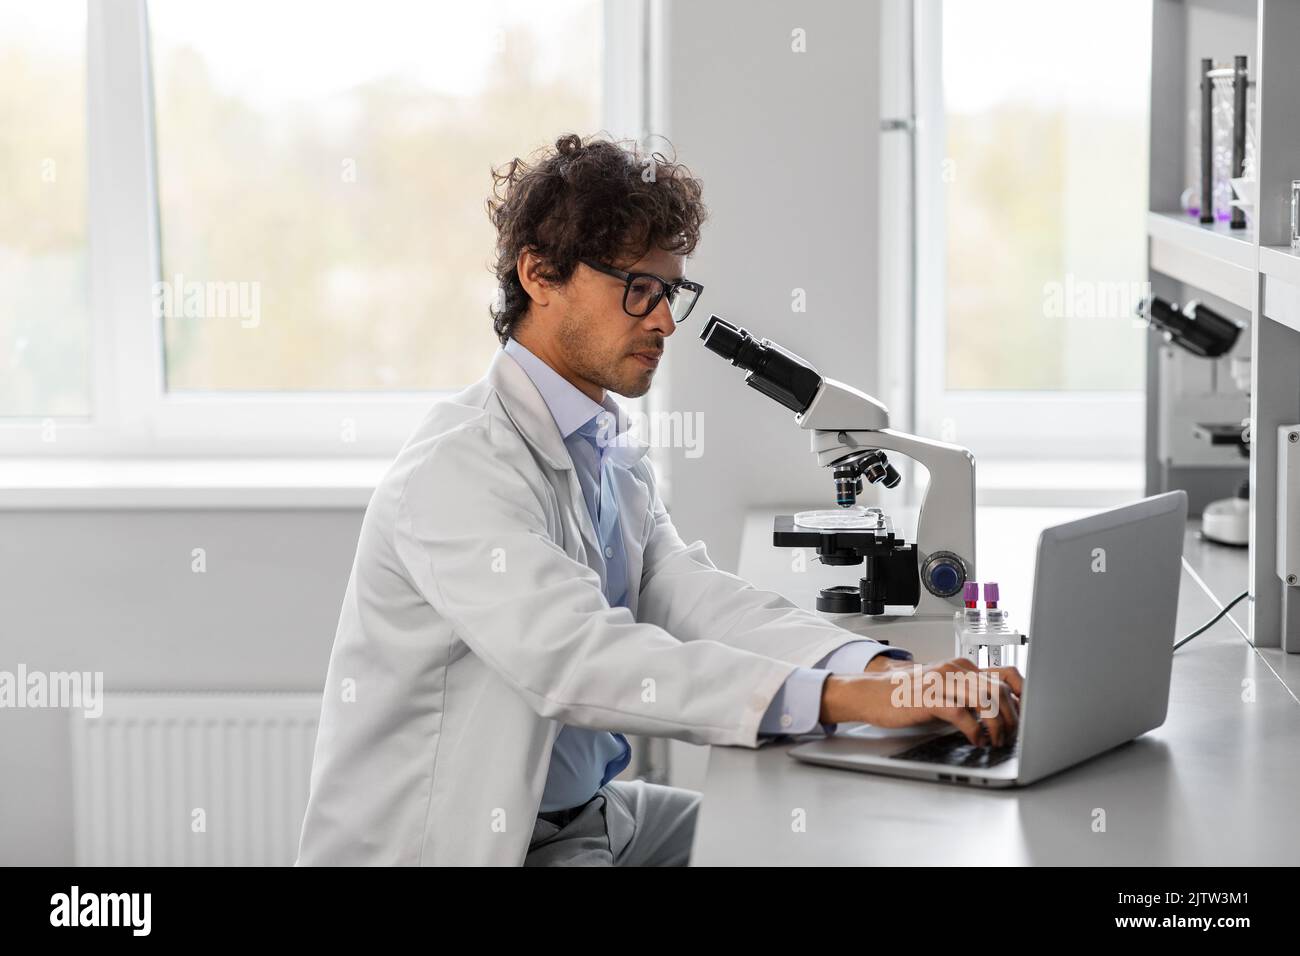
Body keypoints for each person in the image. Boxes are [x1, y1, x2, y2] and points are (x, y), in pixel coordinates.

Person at [296, 133, 1020, 867]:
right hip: (476, 844)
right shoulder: (458, 468)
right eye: (638, 289)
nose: (666, 321)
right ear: (540, 276)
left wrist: (874, 670)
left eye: (671, 292)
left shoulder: (602, 440)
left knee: (798, 843)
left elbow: (687, 593)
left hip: (593, 815)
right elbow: (578, 657)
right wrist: (834, 699)